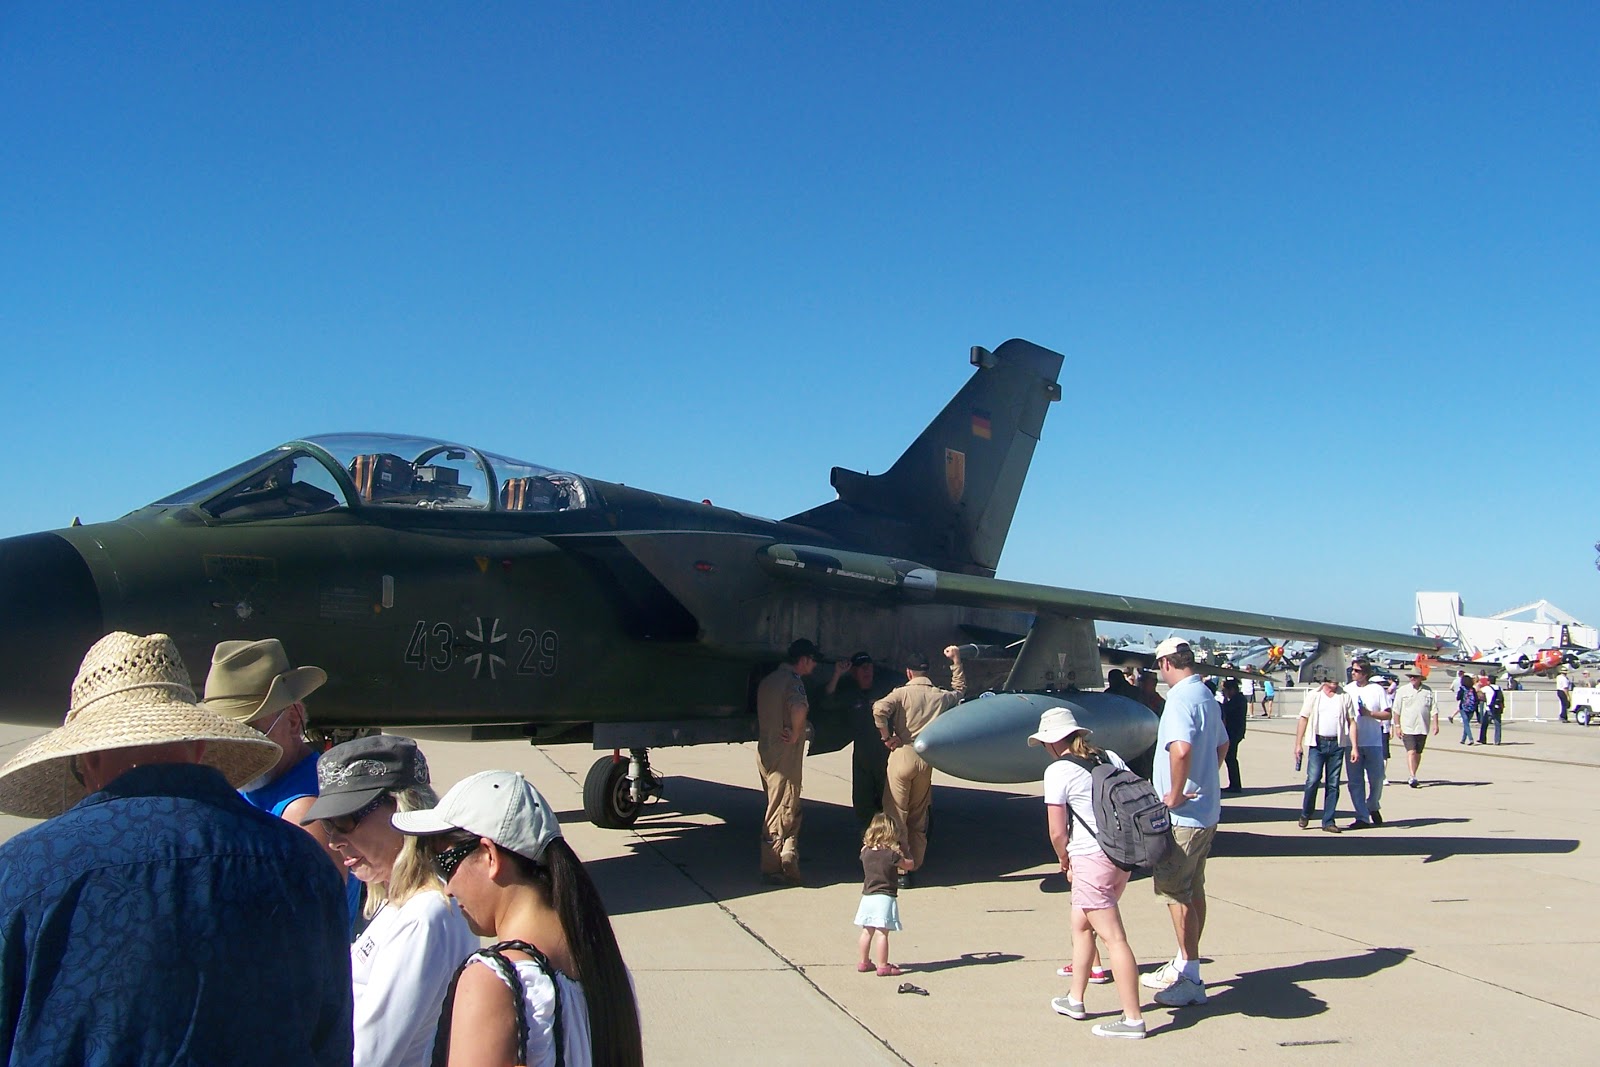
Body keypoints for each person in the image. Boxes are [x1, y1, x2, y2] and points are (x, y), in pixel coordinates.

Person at [0, 632, 352, 1065]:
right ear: (202, 745)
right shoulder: (302, 864)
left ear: (86, 760)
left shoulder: (22, 872)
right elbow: (330, 1040)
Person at [393, 769, 643, 1067]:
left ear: (490, 856)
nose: (448, 889)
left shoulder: (494, 981)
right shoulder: (608, 969)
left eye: (445, 864)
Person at [304, 735, 478, 1067]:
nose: (335, 842)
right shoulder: (402, 904)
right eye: (328, 825)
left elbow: (366, 1057)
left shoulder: (424, 916)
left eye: (344, 820)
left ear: (401, 808)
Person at [199, 637, 364, 933]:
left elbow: (302, 926)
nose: (236, 746)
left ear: (292, 720)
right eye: (223, 733)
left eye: (249, 730)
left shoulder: (304, 812)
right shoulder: (257, 783)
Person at [1033, 707, 1147, 1040]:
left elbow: (1057, 831)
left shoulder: (1058, 771)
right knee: (1081, 925)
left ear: (1054, 742)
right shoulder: (1109, 756)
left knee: (1114, 937)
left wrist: (1063, 859)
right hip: (1120, 856)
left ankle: (1132, 1018)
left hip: (1090, 858)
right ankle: (1074, 998)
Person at [1140, 637, 1228, 1007]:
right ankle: (1182, 961)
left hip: (1183, 816)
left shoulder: (1178, 699)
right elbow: (1222, 745)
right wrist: (1206, 779)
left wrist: (1175, 792)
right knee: (1194, 888)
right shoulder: (1205, 695)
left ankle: (1190, 976)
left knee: (1177, 894)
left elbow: (1181, 749)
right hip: (1206, 811)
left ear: (1165, 664)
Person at [872, 646, 967, 887]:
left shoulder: (901, 694)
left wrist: (886, 736)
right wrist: (956, 661)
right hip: (926, 758)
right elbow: (959, 691)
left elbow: (879, 709)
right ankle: (915, 863)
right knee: (918, 816)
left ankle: (899, 867)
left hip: (902, 752)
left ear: (908, 672)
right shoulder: (938, 695)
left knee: (896, 813)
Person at [755, 638, 821, 884]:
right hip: (785, 753)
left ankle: (788, 854)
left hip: (766, 750)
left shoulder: (768, 681)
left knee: (779, 803)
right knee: (784, 807)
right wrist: (795, 732)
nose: (814, 666)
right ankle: (775, 864)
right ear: (803, 660)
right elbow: (799, 708)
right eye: (812, 661)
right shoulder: (793, 682)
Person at [823, 651, 896, 825]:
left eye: (869, 666)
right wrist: (837, 674)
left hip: (885, 757)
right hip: (863, 759)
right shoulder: (850, 694)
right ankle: (868, 841)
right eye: (861, 668)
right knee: (863, 804)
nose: (866, 670)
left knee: (888, 804)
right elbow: (827, 702)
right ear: (853, 672)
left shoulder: (884, 692)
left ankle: (889, 843)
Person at [1293, 676, 1357, 832]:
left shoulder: (1344, 696)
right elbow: (1303, 718)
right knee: (1313, 780)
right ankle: (1306, 813)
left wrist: (1354, 746)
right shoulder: (1314, 695)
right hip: (1317, 743)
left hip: (1337, 744)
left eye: (1337, 679)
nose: (1335, 682)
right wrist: (1298, 744)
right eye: (1331, 679)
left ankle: (1328, 820)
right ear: (1324, 679)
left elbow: (1352, 721)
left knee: (1333, 783)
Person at [853, 812, 907, 977]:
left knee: (866, 931)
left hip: (867, 896)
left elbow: (867, 853)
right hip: (885, 897)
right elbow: (908, 866)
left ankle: (864, 962)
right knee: (882, 933)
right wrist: (906, 851)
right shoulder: (892, 855)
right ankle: (883, 965)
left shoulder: (865, 852)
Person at [1344, 658, 1390, 830]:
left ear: (1365, 673)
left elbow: (1387, 714)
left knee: (1377, 778)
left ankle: (1372, 804)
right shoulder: (1347, 690)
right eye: (1352, 670)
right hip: (1352, 742)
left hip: (1373, 741)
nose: (1353, 673)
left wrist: (1370, 713)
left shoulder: (1377, 690)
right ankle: (1362, 816)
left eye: (1356, 671)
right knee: (1355, 781)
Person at [1394, 669, 1438, 788]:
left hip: (1423, 727)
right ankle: (1412, 776)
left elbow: (1433, 709)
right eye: (1411, 676)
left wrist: (1436, 724)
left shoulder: (1427, 691)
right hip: (1407, 727)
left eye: (1415, 677)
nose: (1412, 678)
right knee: (1411, 751)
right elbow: (1396, 710)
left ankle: (1413, 773)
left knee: (1418, 753)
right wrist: (1397, 726)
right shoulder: (1402, 691)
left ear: (1420, 678)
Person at [1219, 677, 1247, 794]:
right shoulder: (1238, 699)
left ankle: (1235, 784)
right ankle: (1234, 783)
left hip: (1234, 732)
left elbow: (1226, 709)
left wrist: (1224, 700)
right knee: (1230, 758)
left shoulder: (1238, 700)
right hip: (1234, 732)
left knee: (1231, 758)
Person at [1477, 672, 1504, 745]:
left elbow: (1478, 692)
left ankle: (1482, 739)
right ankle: (1497, 740)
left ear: (1488, 681)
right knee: (1498, 725)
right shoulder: (1499, 688)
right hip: (1497, 708)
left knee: (1484, 724)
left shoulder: (1486, 688)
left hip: (1489, 708)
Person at [1455, 670, 1479, 743]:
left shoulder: (1462, 689)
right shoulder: (1473, 689)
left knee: (1466, 724)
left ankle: (1471, 739)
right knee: (1466, 724)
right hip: (1471, 708)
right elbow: (1476, 699)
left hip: (1463, 708)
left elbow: (1458, 698)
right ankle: (1463, 739)